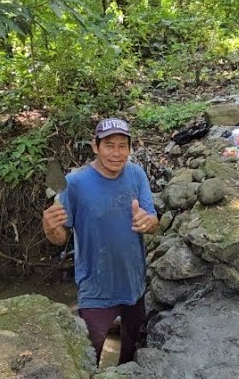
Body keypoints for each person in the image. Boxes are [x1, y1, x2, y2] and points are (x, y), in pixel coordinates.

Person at [42, 118, 159, 365]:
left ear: (129, 148)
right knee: (92, 354)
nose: (116, 154)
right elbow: (60, 237)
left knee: (130, 350)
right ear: (95, 147)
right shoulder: (74, 183)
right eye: (109, 145)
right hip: (95, 289)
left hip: (133, 283)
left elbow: (152, 220)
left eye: (122, 146)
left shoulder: (136, 175)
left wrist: (148, 222)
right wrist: (50, 228)